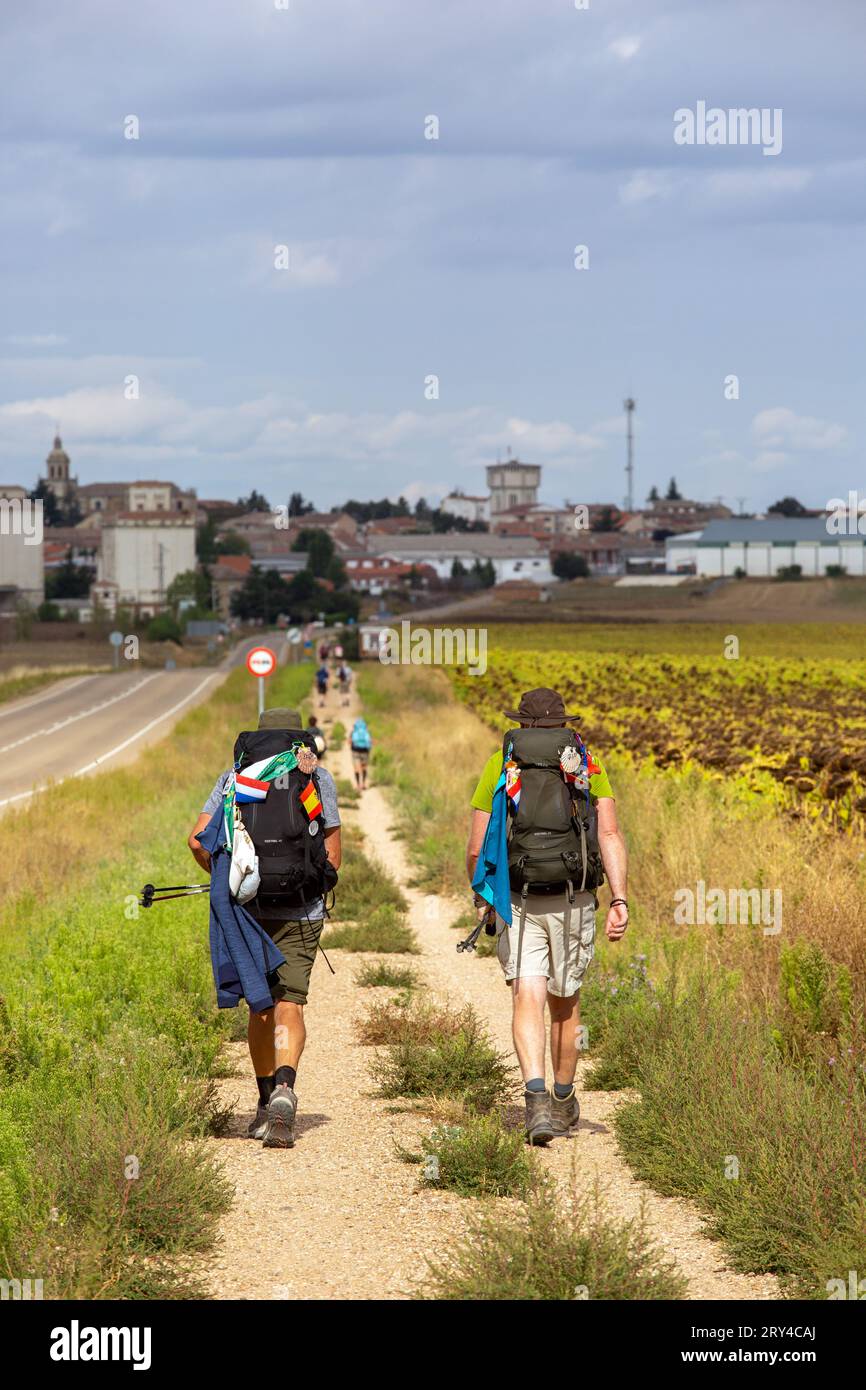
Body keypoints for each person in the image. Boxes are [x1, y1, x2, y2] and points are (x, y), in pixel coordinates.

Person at [466, 687, 628, 1145]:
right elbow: (609, 833)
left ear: (522, 723)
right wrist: (620, 899)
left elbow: (479, 846)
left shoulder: (502, 763)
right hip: (574, 896)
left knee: (526, 997)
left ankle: (533, 1100)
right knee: (566, 1002)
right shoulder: (586, 762)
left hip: (519, 897)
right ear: (561, 722)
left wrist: (484, 900)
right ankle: (561, 1101)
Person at [187, 707, 341, 1149]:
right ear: (299, 737)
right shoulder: (316, 776)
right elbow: (333, 854)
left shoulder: (234, 777)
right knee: (289, 1003)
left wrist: (230, 878)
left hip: (247, 910)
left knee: (260, 1005)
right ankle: (285, 1091)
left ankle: (260, 1104)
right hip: (301, 907)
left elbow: (198, 839)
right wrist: (313, 885)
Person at [349, 716, 372, 792]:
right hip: (365, 751)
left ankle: (358, 785)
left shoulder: (353, 732)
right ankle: (364, 784)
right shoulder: (366, 731)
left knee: (356, 768)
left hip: (355, 751)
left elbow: (349, 742)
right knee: (364, 767)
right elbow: (370, 741)